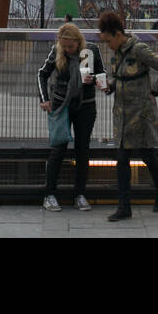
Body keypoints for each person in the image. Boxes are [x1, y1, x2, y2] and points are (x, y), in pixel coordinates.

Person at [97, 10, 158, 221]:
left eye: (108, 40)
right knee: (122, 158)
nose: (107, 45)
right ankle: (124, 206)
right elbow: (119, 77)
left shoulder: (139, 49)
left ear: (117, 33)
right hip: (121, 115)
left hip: (141, 114)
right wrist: (109, 87)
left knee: (147, 154)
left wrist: (155, 91)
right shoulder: (117, 52)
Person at [37, 22, 105, 212]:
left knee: (82, 149)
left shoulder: (90, 51)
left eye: (71, 47)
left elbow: (102, 73)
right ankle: (49, 194)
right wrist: (45, 99)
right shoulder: (57, 51)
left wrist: (98, 81)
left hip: (86, 105)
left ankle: (80, 194)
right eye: (64, 46)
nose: (67, 50)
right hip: (62, 105)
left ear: (79, 42)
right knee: (58, 148)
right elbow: (42, 74)